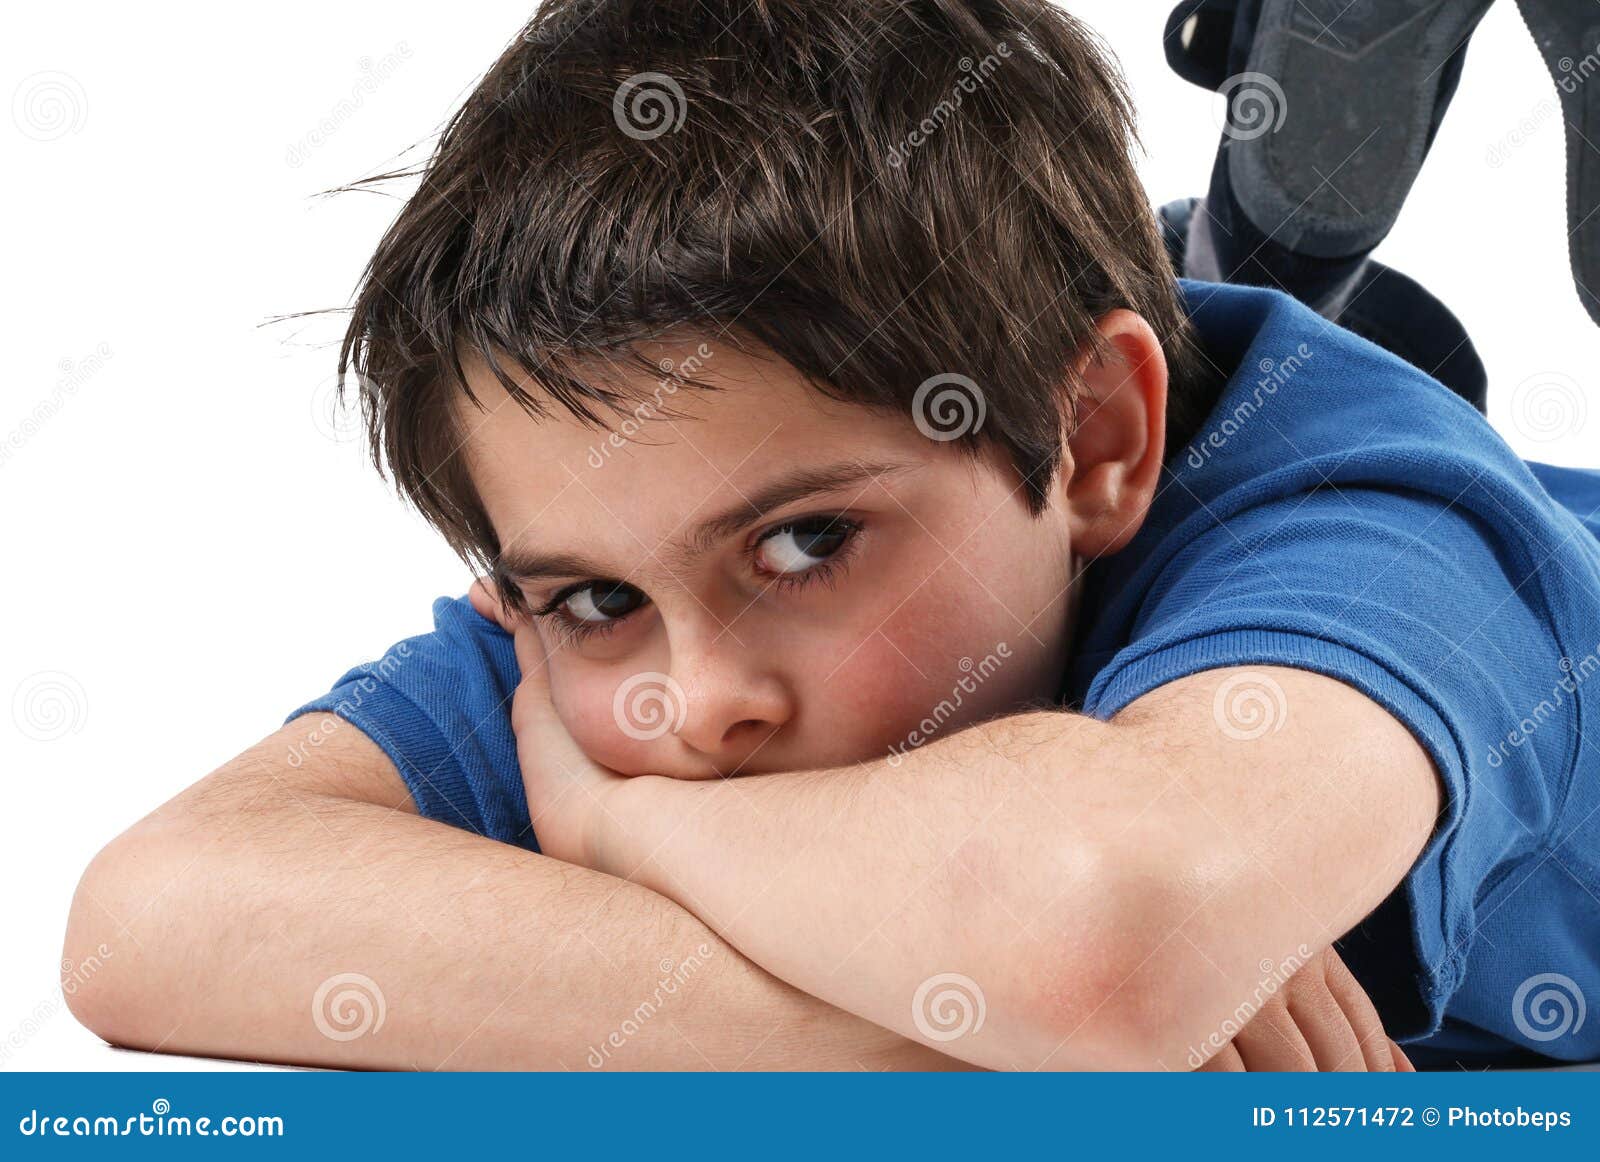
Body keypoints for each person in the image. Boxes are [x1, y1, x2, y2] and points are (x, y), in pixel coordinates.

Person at [63, 0, 1600, 1070]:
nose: (695, 703)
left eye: (804, 547)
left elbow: (1099, 941)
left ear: (1101, 440)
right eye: (593, 595)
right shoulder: (622, 647)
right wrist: (987, 1035)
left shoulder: (1371, 528)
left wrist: (623, 833)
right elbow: (153, 917)